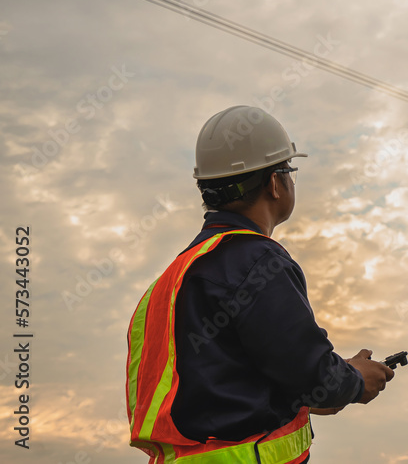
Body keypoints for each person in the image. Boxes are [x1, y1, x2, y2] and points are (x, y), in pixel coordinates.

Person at [126, 105, 393, 463]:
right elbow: (316, 377)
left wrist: (305, 394)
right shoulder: (257, 261)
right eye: (289, 172)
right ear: (274, 182)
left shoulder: (172, 280)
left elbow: (218, 387)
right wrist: (356, 380)